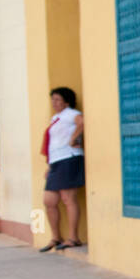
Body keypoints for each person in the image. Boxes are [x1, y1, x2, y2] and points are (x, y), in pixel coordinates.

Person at [39, 86, 85, 252]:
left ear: (67, 101)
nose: (54, 102)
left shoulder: (71, 114)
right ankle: (55, 237)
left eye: (58, 99)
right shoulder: (55, 118)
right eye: (53, 99)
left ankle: (73, 237)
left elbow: (82, 122)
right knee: (49, 200)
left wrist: (73, 138)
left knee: (68, 198)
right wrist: (49, 166)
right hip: (56, 162)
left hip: (69, 158)